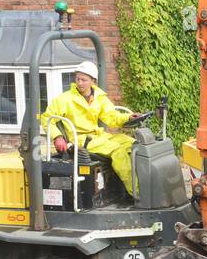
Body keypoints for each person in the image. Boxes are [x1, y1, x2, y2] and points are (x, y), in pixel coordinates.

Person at [40, 60, 136, 194]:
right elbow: (47, 118)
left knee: (133, 144)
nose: (79, 83)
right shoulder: (65, 99)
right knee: (118, 151)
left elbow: (112, 117)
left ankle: (130, 185)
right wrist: (57, 137)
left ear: (93, 81)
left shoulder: (99, 98)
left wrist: (128, 118)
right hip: (80, 140)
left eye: (83, 80)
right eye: (77, 79)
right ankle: (136, 192)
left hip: (98, 136)